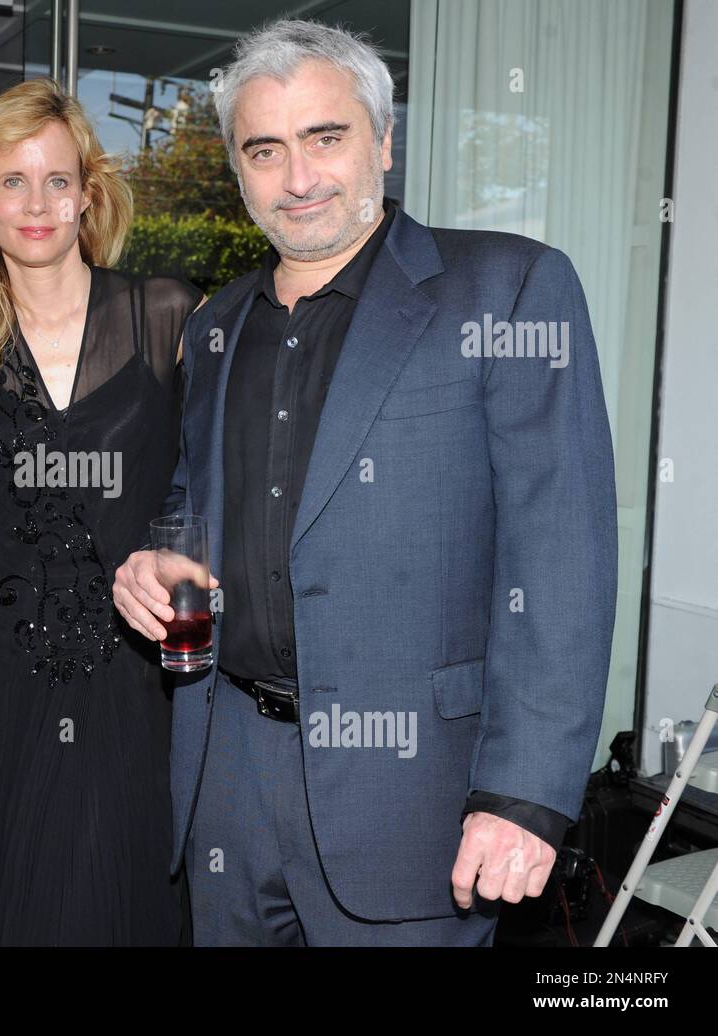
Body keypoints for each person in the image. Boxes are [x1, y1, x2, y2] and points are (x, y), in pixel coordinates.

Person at [113, 18, 618, 946]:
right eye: (265, 150)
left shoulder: (507, 290)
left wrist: (525, 795)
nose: (298, 178)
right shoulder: (216, 324)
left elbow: (564, 557)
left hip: (421, 798)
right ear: (237, 170)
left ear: (384, 141)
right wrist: (150, 561)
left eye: (326, 137)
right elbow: (191, 504)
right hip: (228, 782)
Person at [0, 78, 203, 945]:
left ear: (89, 195)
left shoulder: (169, 315)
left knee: (117, 897)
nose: (36, 204)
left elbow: (206, 490)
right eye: (12, 181)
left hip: (134, 673)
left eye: (57, 180)